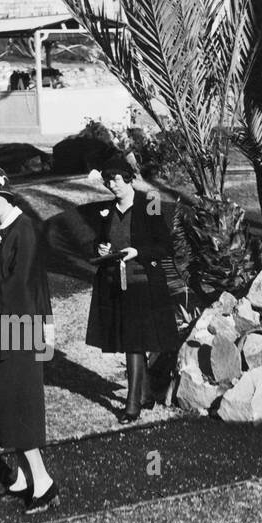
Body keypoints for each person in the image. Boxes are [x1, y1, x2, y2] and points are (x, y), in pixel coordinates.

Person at [0, 166, 59, 514]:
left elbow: (21, 286)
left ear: (8, 194)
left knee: (18, 405)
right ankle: (21, 477)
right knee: (1, 401)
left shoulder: (25, 231)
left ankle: (45, 484)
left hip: (18, 326)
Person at [83, 154, 179, 423]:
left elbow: (165, 246)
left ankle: (132, 405)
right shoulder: (107, 211)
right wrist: (100, 248)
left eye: (116, 179)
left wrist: (137, 251)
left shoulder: (148, 205)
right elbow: (101, 241)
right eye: (108, 180)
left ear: (128, 178)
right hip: (117, 286)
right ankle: (146, 395)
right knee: (130, 341)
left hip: (144, 284)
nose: (112, 185)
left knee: (134, 344)